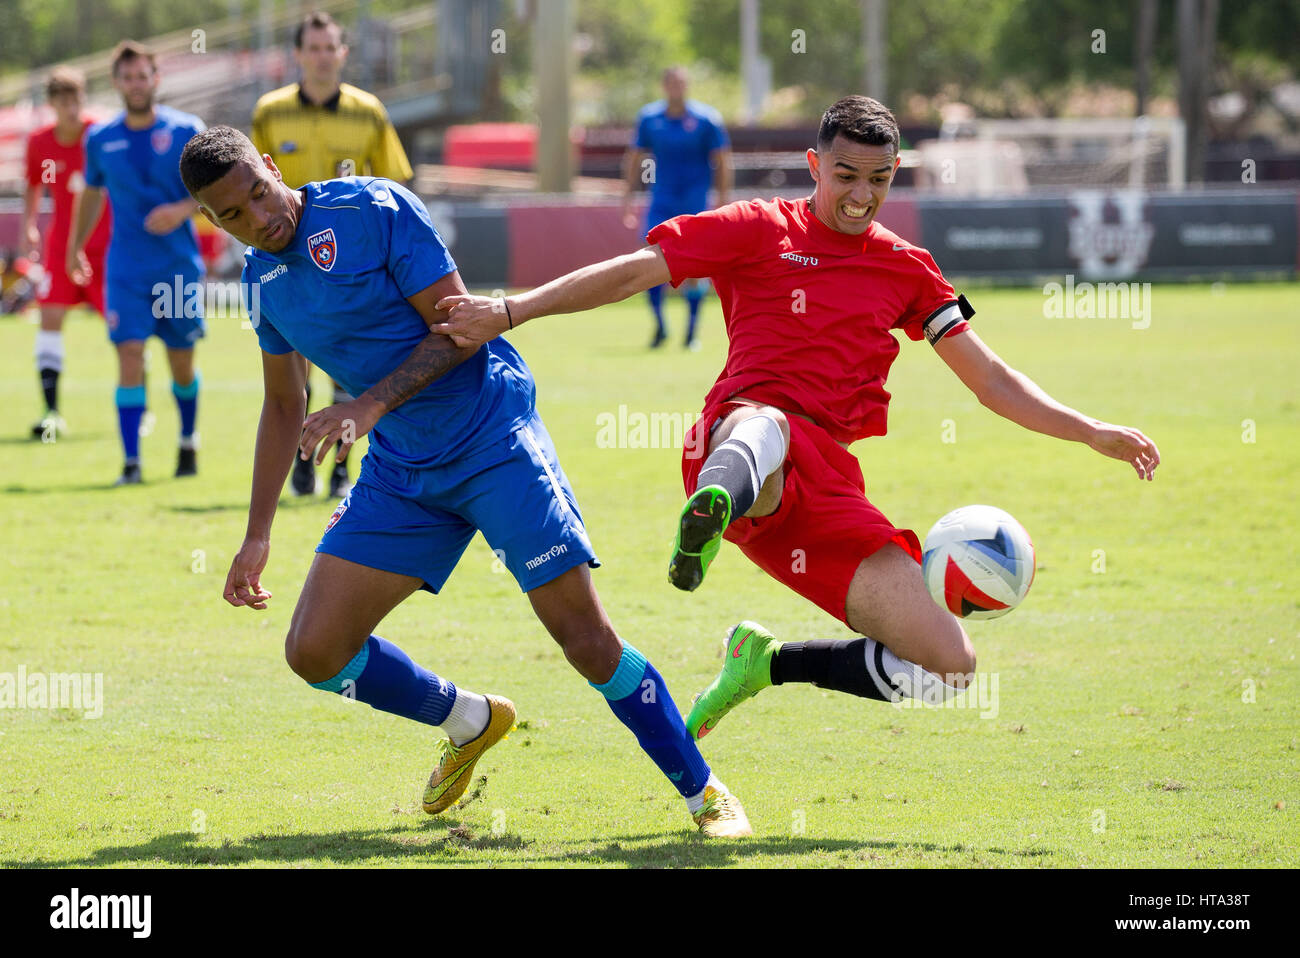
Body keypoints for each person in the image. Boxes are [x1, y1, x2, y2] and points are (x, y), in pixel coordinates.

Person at [434, 95, 1161, 745]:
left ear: (895, 174)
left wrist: (1092, 431)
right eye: (845, 175)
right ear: (814, 164)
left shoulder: (909, 268)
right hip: (738, 442)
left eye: (878, 180)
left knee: (950, 667)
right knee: (769, 425)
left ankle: (765, 664)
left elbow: (991, 379)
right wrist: (506, 311)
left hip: (828, 490)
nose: (860, 195)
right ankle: (711, 510)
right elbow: (631, 272)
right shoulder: (755, 228)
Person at [178, 125, 751, 838]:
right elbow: (283, 403)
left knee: (583, 637)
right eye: (232, 214)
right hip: (403, 468)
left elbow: (460, 330)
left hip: (491, 437)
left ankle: (704, 792)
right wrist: (256, 535)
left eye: (259, 194)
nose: (259, 219)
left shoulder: (372, 210)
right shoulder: (259, 281)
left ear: (270, 166)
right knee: (315, 651)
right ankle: (471, 719)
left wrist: (368, 405)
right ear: (210, 219)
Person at [251, 10, 415, 500]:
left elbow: (395, 185)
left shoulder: (369, 111)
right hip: (286, 258)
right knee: (291, 364)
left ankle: (343, 466)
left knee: (350, 365)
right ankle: (302, 462)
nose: (322, 57)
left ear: (343, 54)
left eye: (331, 48)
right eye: (313, 48)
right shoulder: (269, 111)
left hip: (352, 260)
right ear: (299, 55)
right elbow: (248, 185)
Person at [68, 41, 205, 485]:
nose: (136, 84)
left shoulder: (187, 131)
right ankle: (132, 463)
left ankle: (187, 440)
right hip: (126, 270)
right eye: (127, 77)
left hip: (178, 267)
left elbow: (215, 191)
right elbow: (90, 194)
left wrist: (182, 210)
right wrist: (74, 248)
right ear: (116, 83)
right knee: (129, 353)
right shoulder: (101, 139)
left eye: (143, 75)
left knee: (181, 361)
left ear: (155, 79)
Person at [22, 66, 112, 440]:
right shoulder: (41, 143)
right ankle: (51, 413)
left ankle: (138, 412)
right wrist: (29, 223)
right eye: (63, 101)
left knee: (126, 330)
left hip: (106, 247)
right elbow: (35, 185)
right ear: (52, 104)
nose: (71, 108)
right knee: (49, 321)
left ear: (83, 99)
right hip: (62, 247)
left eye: (76, 99)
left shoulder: (100, 135)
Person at [621, 66, 731, 351]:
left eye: (681, 83)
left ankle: (691, 333)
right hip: (661, 202)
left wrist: (721, 201)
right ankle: (660, 327)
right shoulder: (649, 118)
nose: (676, 88)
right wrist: (628, 196)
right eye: (671, 82)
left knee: (695, 268)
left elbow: (722, 160)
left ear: (687, 85)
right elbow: (634, 158)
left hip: (694, 204)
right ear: (664, 85)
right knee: (649, 263)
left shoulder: (706, 119)